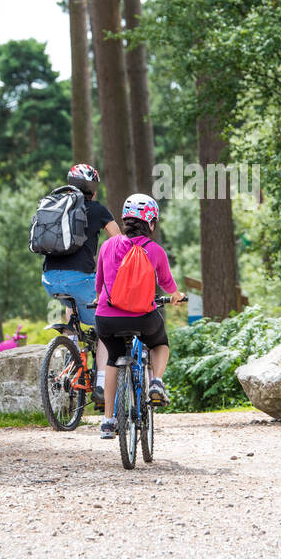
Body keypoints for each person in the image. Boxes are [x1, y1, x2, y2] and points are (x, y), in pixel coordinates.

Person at [93, 194, 187, 439]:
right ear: (151, 223)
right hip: (142, 318)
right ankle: (155, 381)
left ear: (125, 220)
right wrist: (176, 295)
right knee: (160, 343)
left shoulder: (107, 246)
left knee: (113, 359)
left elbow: (100, 283)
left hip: (107, 318)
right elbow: (167, 283)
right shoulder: (155, 250)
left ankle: (108, 421)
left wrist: (98, 299)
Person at [40, 163, 122, 397]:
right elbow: (120, 242)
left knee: (71, 309)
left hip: (49, 279)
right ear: (93, 189)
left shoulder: (55, 205)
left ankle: (72, 354)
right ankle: (100, 383)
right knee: (104, 324)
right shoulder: (97, 209)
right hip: (80, 279)